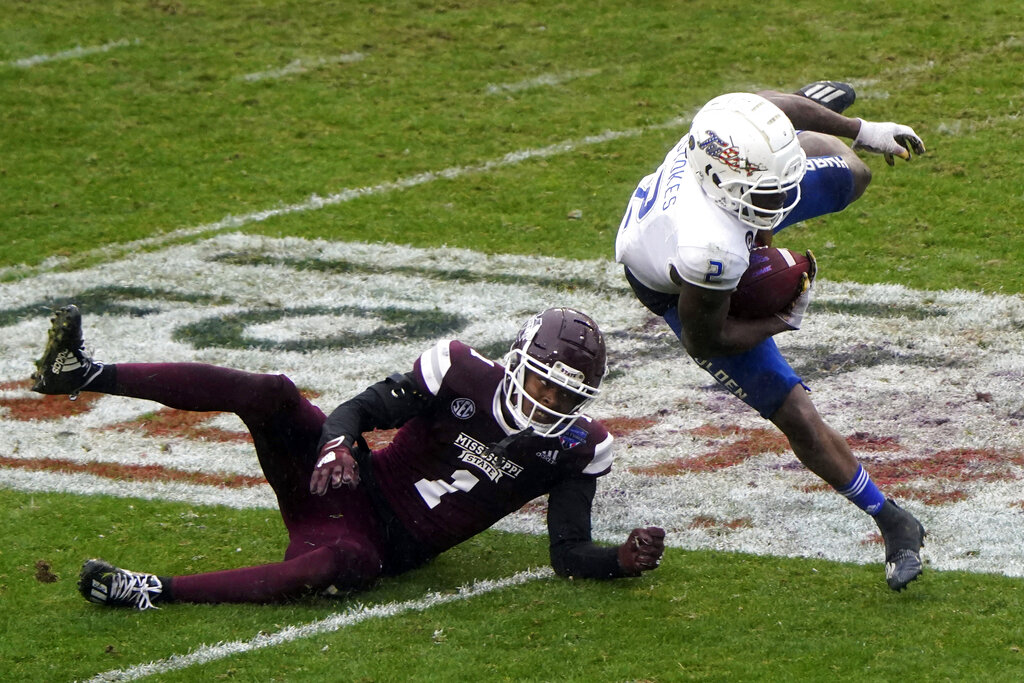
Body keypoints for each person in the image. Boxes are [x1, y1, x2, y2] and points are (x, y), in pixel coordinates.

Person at [31, 305, 665, 610]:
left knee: (334, 564)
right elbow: (360, 411)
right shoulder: (460, 370)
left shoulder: (582, 447)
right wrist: (336, 442)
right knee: (272, 393)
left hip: (375, 542)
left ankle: (152, 591)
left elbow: (566, 553)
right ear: (516, 362)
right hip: (344, 479)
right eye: (541, 381)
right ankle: (85, 372)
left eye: (565, 395)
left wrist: (617, 560)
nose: (548, 400)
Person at [614, 81, 926, 591]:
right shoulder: (710, 252)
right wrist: (782, 318)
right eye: (769, 194)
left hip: (723, 215)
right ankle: (894, 522)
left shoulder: (721, 125)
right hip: (682, 285)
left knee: (855, 172)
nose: (781, 203)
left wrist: (863, 131)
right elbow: (708, 341)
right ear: (730, 181)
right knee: (795, 413)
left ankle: (804, 122)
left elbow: (764, 105)